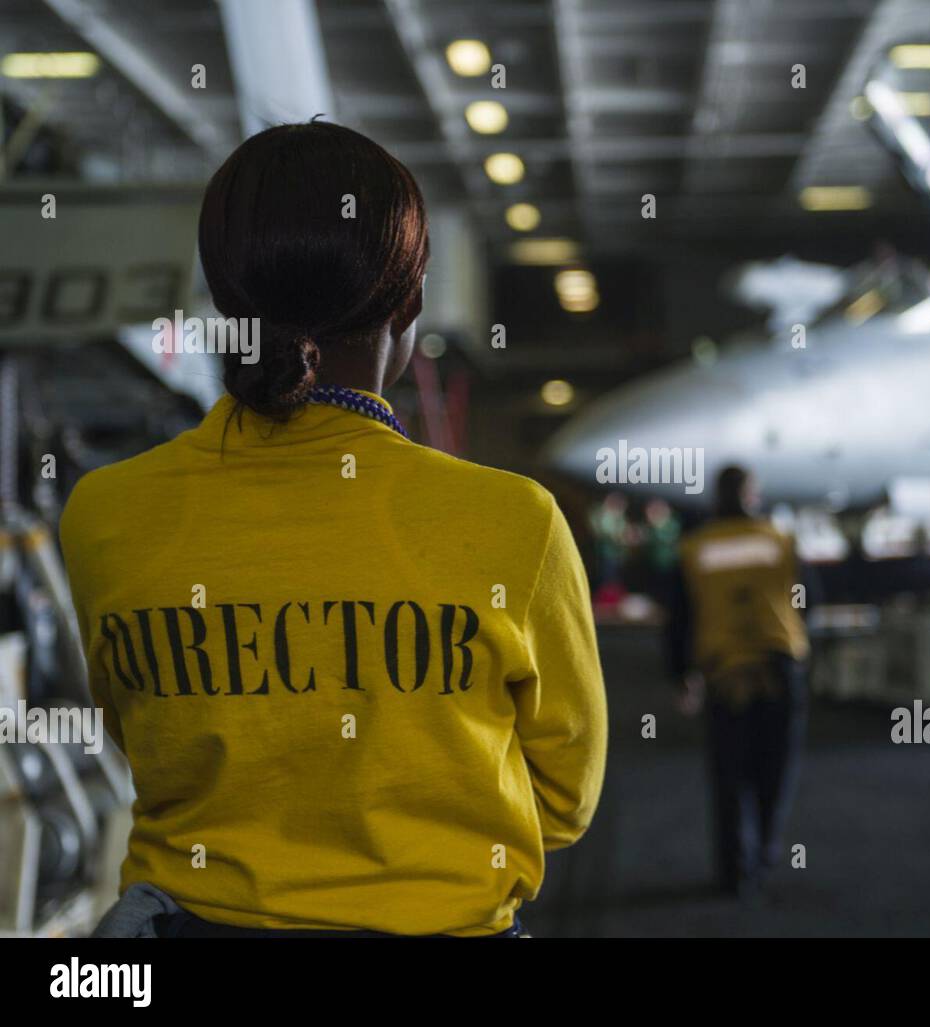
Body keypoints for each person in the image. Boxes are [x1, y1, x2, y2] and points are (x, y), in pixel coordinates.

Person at [59, 122, 607, 938]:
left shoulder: (103, 513)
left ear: (222, 298)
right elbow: (566, 801)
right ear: (410, 303)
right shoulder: (514, 523)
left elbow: (141, 736)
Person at [667, 465, 810, 897]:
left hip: (724, 675)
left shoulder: (694, 548)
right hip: (779, 671)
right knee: (775, 770)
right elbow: (809, 600)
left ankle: (732, 873)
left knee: (729, 778)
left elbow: (680, 618)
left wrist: (681, 675)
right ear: (751, 494)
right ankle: (765, 852)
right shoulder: (780, 541)